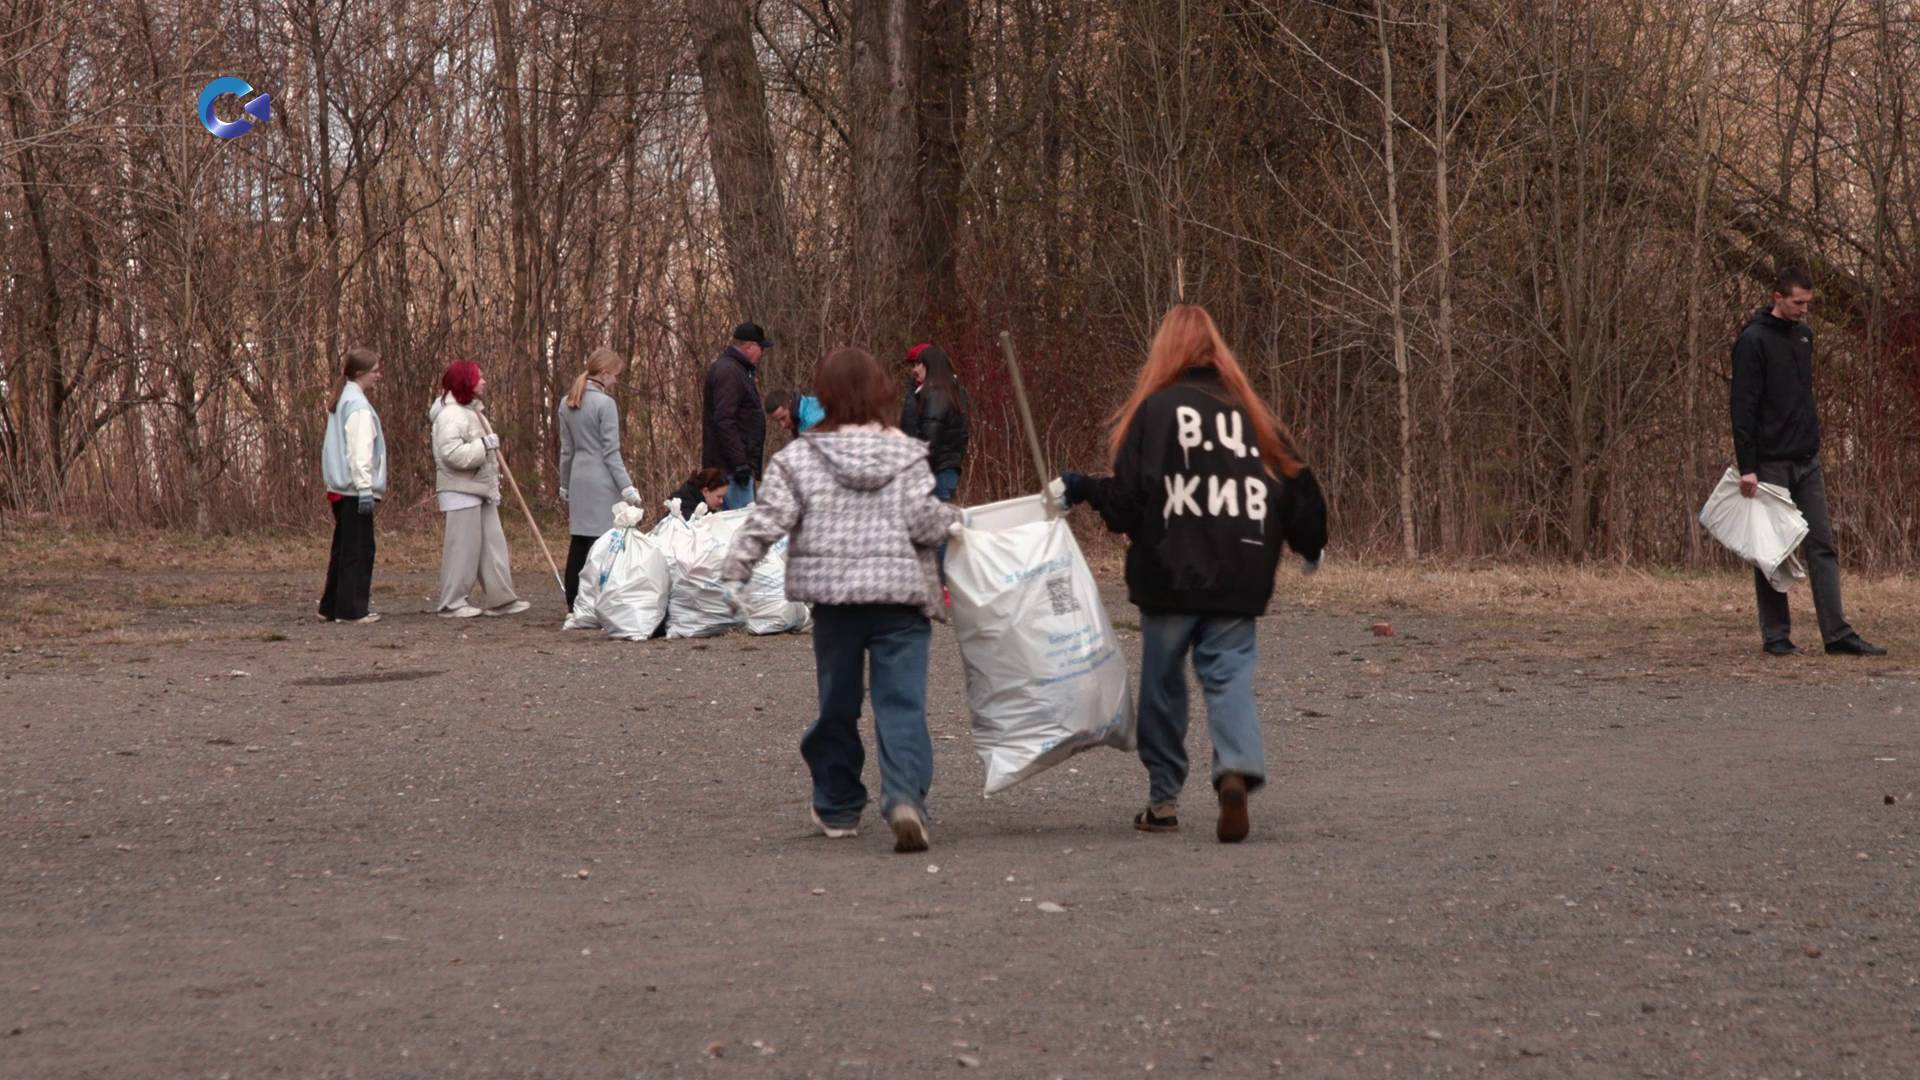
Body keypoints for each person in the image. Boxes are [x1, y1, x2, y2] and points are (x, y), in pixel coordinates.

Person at [1056, 304, 1326, 844]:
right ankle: (1235, 768)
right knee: (1229, 677)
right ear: (1217, 351)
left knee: (1161, 684)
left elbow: (1129, 503)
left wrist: (1085, 488)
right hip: (1240, 574)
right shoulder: (1252, 411)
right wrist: (1309, 543)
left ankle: (1163, 799)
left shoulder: (1154, 411)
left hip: (1168, 574)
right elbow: (1298, 487)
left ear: (1165, 352)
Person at [720, 346, 961, 854]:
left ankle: (837, 804)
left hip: (835, 604)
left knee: (838, 705)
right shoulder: (906, 453)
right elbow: (924, 522)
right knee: (902, 706)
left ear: (823, 395)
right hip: (901, 600)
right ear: (880, 392)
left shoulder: (800, 458)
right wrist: (957, 523)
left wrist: (736, 568)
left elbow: (767, 519)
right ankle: (905, 799)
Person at [1730, 268, 1884, 657]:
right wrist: (1747, 466)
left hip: (1806, 458)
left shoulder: (1804, 336)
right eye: (1797, 302)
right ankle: (1777, 636)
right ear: (1777, 297)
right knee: (1773, 552)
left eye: (1808, 304)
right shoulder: (1753, 340)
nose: (1803, 310)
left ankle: (1837, 635)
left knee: (1822, 546)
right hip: (1769, 463)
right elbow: (1743, 407)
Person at [429, 360, 528, 619]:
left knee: (492, 545)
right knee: (462, 549)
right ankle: (452, 603)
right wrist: (483, 445)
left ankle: (501, 598)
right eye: (478, 378)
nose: (483, 381)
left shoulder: (472, 411)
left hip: (480, 488)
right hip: (460, 490)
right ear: (466, 382)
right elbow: (451, 455)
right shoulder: (450, 415)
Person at [558, 347, 643, 610]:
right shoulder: (605, 404)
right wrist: (627, 487)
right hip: (602, 480)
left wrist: (564, 482)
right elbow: (611, 452)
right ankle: (603, 601)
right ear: (605, 374)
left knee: (580, 541)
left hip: (578, 478)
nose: (616, 380)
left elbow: (566, 450)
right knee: (604, 542)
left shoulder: (567, 402)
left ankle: (573, 602)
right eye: (615, 375)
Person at [318, 347, 388, 624]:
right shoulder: (357, 406)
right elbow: (359, 452)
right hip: (353, 488)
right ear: (360, 373)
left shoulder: (344, 399)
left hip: (340, 487)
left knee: (344, 548)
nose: (378, 376)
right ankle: (351, 609)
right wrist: (365, 488)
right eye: (375, 371)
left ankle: (331, 605)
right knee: (359, 550)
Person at [703, 321, 772, 509]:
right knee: (739, 528)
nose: (762, 353)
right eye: (761, 347)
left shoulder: (736, 370)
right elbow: (724, 420)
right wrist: (740, 463)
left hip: (733, 468)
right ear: (749, 346)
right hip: (731, 472)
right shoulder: (730, 372)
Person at [899, 343, 968, 503]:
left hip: (936, 473)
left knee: (934, 525)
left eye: (918, 364)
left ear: (930, 365)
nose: (914, 370)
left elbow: (929, 439)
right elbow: (963, 437)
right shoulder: (952, 390)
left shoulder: (937, 394)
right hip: (946, 470)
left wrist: (916, 472)